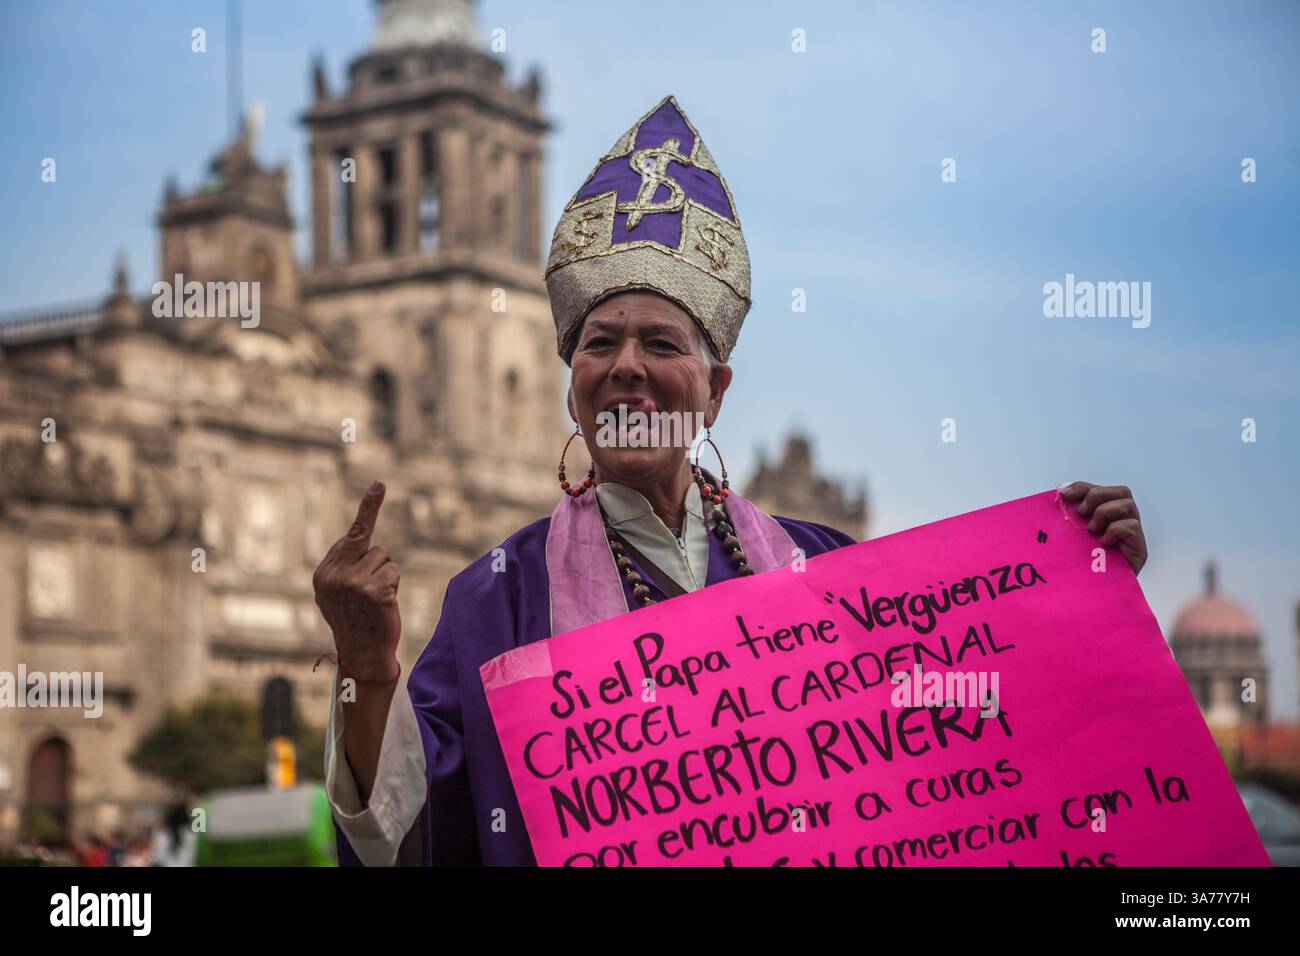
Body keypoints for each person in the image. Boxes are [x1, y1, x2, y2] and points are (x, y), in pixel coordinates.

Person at [313, 95, 1148, 867]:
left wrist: (1087, 591)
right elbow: (401, 834)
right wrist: (363, 658)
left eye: (663, 344)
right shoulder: (497, 598)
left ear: (714, 392)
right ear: (572, 386)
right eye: (599, 343)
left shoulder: (824, 567)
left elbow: (982, 748)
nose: (627, 368)